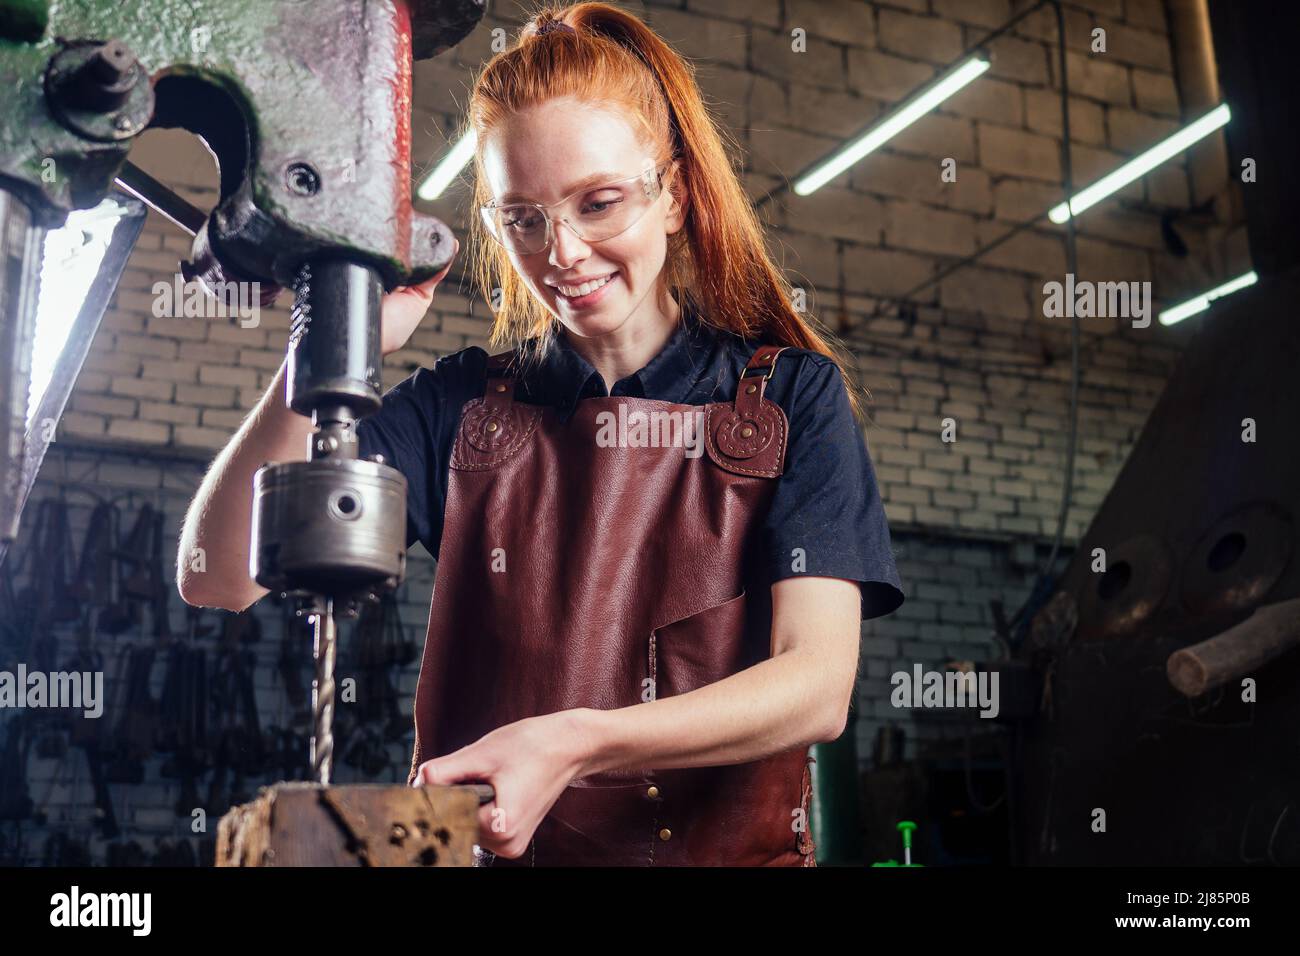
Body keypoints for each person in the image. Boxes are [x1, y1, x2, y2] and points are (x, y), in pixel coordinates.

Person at [178, 1, 903, 867]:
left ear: (672, 196)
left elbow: (817, 686)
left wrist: (575, 743)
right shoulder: (460, 409)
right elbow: (215, 575)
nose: (561, 252)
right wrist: (331, 347)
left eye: (598, 203)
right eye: (522, 218)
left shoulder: (788, 398)